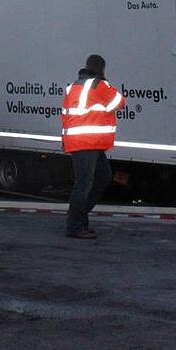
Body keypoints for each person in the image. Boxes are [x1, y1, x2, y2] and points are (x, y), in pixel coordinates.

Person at [61, 54, 125, 239]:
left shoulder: (73, 86)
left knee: (101, 177)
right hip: (87, 142)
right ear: (102, 69)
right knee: (85, 184)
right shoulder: (99, 85)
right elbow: (119, 102)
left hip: (81, 141)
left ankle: (79, 218)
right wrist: (104, 81)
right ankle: (75, 226)